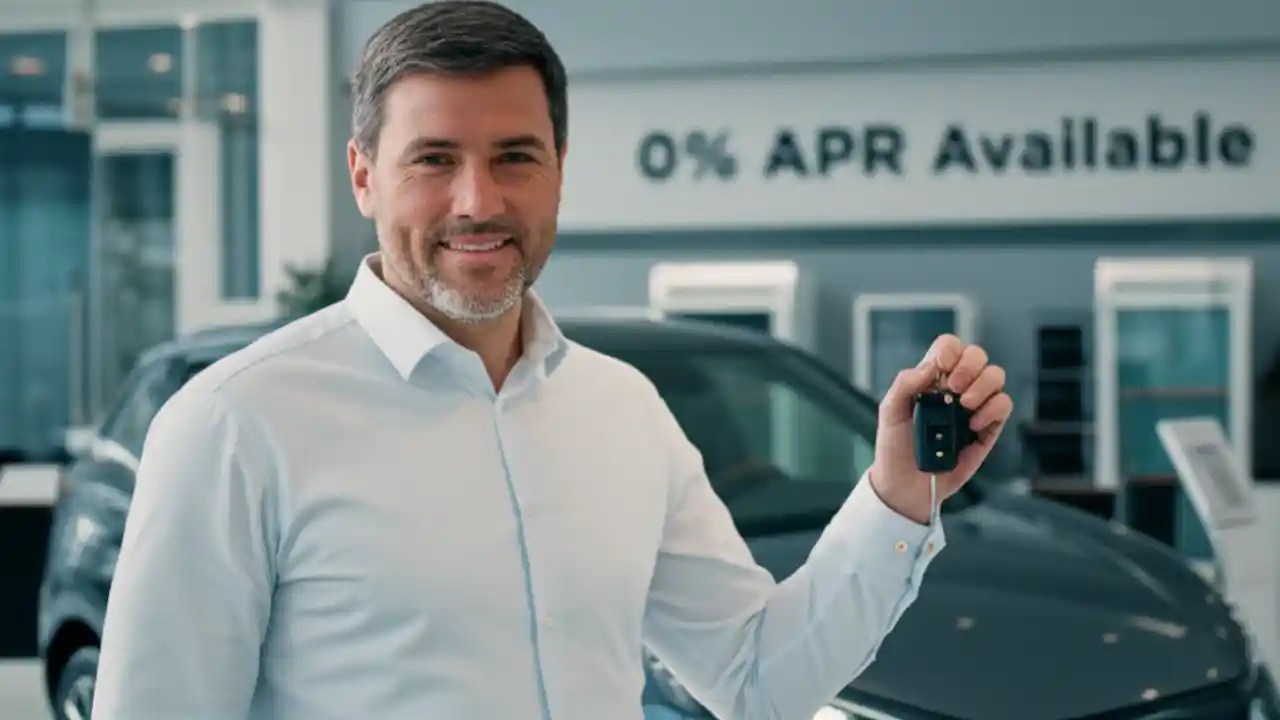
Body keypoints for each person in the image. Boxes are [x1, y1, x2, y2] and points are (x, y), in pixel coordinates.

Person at [91, 2, 1013, 718]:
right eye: (434, 159)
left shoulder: (623, 410)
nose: (476, 201)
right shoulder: (235, 425)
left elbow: (758, 678)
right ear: (364, 174)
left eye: (515, 157)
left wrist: (897, 493)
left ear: (561, 169)